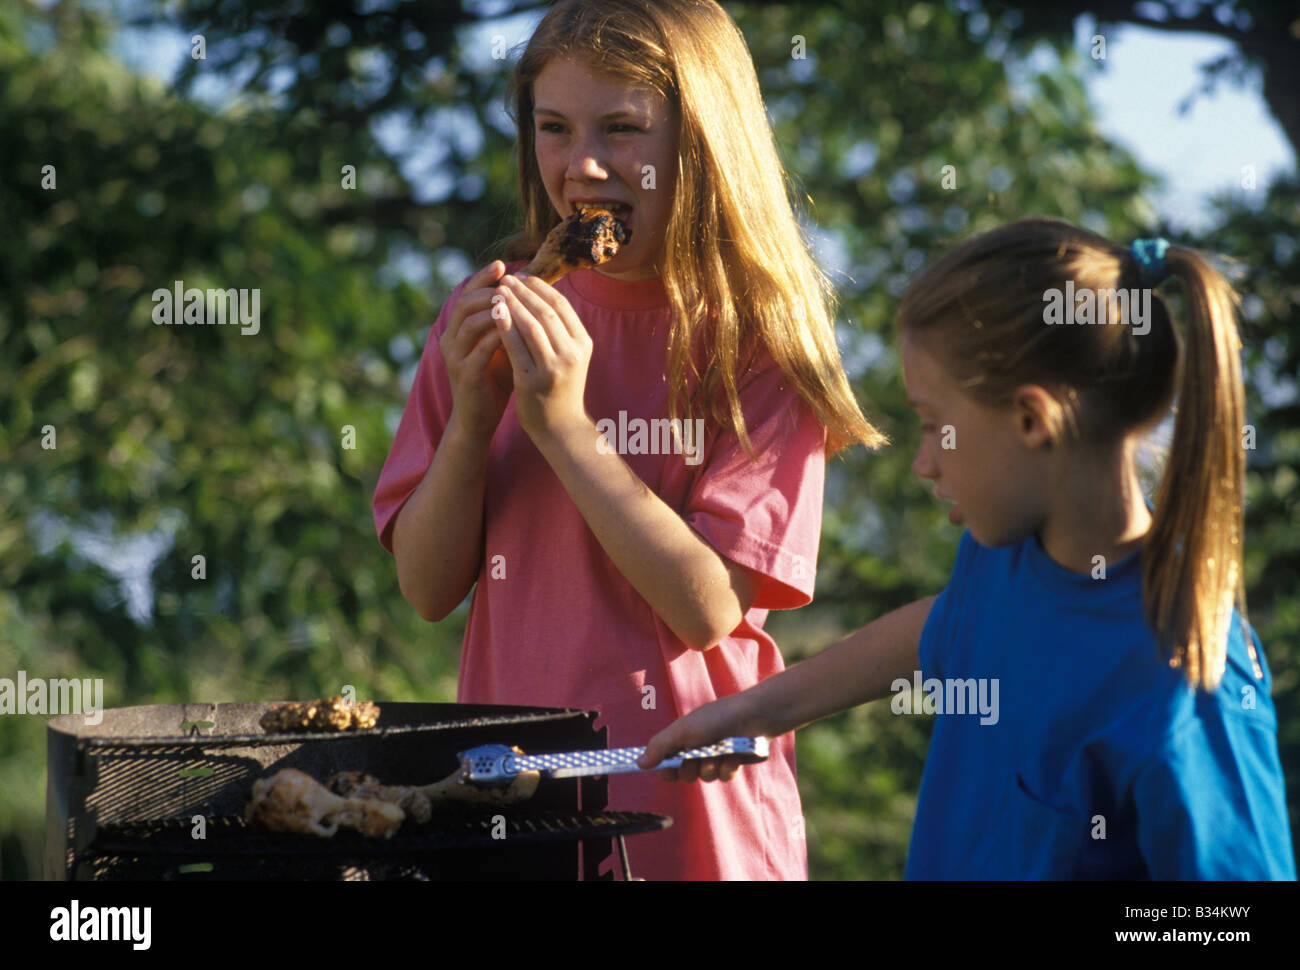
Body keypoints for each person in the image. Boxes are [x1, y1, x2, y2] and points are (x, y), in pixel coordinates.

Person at [372, 0, 884, 880]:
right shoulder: (489, 315)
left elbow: (707, 605)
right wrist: (470, 417)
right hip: (514, 803)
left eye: (622, 128)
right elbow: (424, 587)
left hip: (689, 809)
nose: (583, 165)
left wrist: (564, 427)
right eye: (554, 128)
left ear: (703, 140)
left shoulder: (758, 341)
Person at [641, 219, 1296, 879]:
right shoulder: (1005, 558)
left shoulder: (1188, 681)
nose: (924, 463)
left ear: (1032, 420)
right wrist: (755, 709)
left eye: (934, 427)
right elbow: (948, 622)